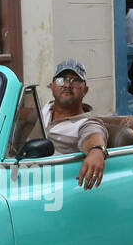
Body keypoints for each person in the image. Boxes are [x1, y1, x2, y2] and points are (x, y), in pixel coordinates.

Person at [42, 59, 108, 189]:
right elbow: (22, 114)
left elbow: (94, 135)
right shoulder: (45, 108)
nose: (67, 85)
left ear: (85, 90)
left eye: (75, 81)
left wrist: (97, 151)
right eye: (61, 80)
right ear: (52, 86)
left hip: (54, 184)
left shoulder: (86, 123)